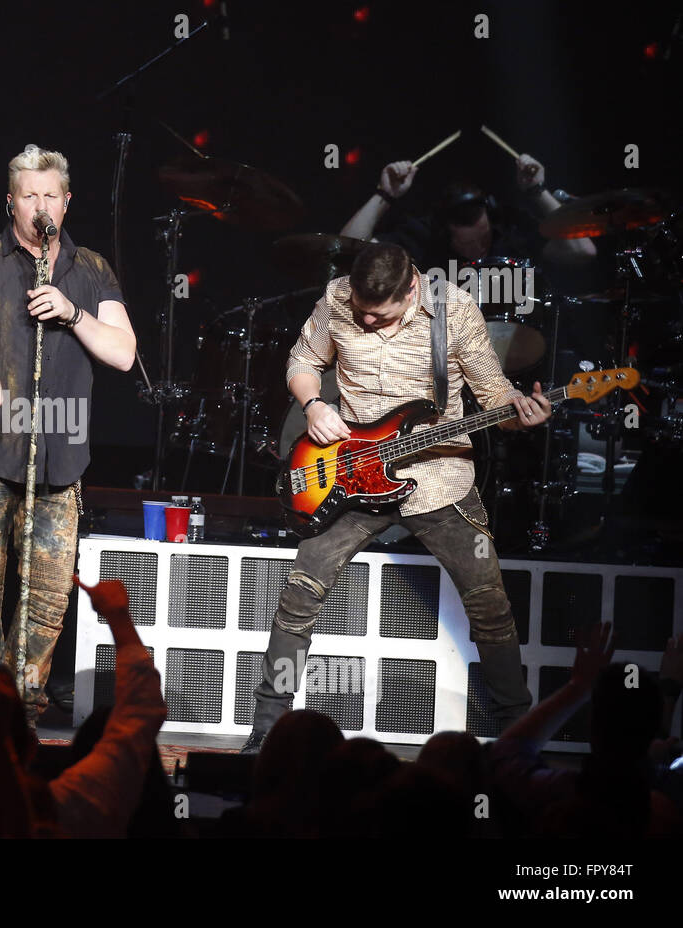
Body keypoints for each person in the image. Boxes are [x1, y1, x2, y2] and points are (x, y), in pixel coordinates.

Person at [241, 242, 551, 754]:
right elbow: (302, 359)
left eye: (378, 316)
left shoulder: (453, 309)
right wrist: (314, 403)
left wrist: (524, 413)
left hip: (438, 478)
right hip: (350, 477)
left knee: (490, 604)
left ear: (411, 288)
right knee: (299, 595)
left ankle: (520, 735)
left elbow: (495, 396)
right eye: (360, 313)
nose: (366, 322)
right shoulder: (337, 298)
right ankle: (266, 733)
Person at [0, 144, 136, 725]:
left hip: (61, 452)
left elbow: (123, 352)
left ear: (67, 202)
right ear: (11, 201)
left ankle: (23, 706)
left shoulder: (91, 270)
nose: (40, 205)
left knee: (48, 596)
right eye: (28, 195)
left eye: (50, 195)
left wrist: (73, 314)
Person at [339, 154, 596, 270]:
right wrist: (385, 195)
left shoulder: (511, 230)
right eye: (468, 244)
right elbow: (349, 247)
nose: (479, 250)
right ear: (445, 232)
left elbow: (583, 250)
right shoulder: (424, 240)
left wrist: (537, 191)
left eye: (483, 239)